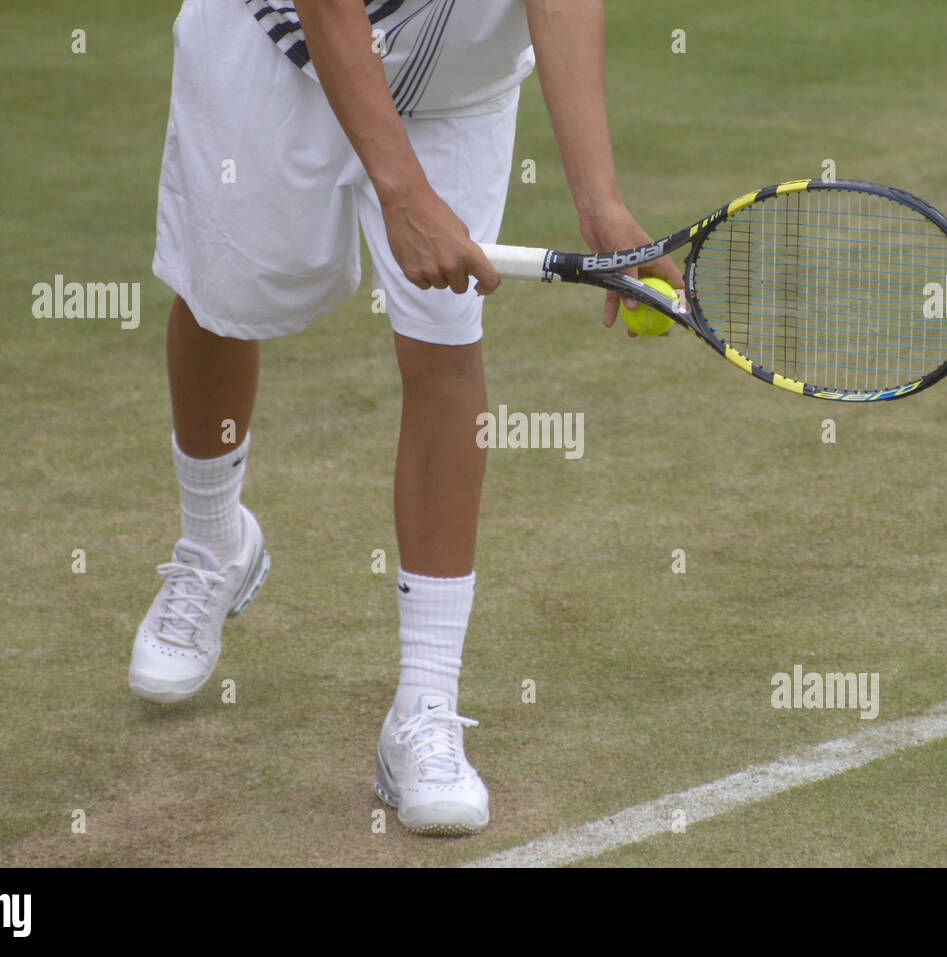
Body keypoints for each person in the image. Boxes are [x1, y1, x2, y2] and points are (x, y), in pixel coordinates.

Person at [129, 0, 681, 836]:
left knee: (446, 349)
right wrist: (402, 190)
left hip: (456, 82)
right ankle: (214, 544)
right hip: (269, 42)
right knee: (219, 300)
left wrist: (599, 201)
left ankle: (423, 705)